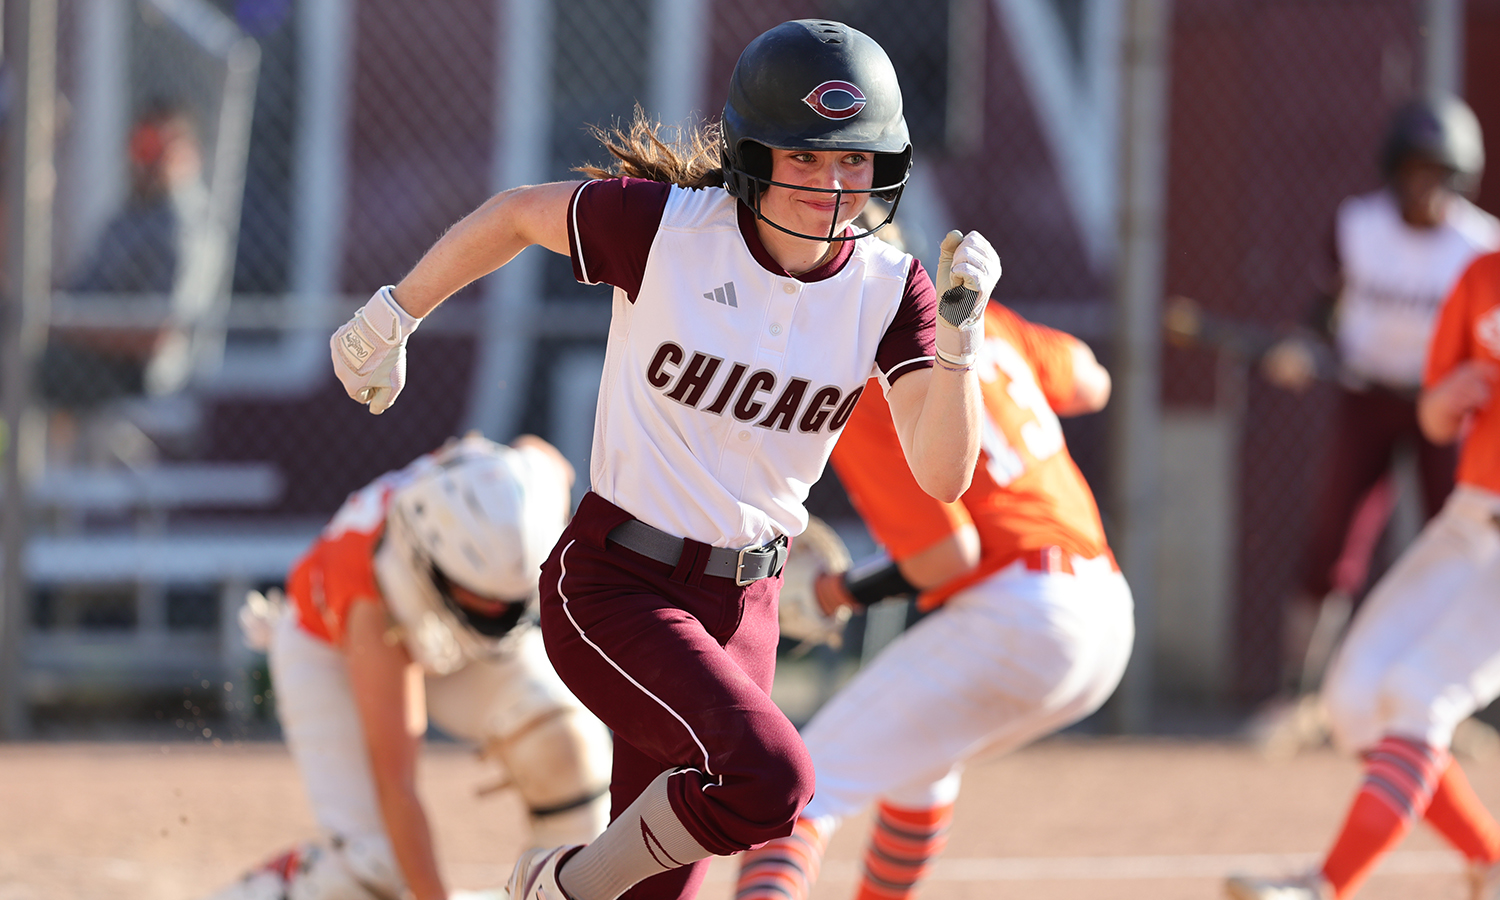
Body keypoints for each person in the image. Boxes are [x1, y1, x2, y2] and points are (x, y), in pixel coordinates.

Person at [329, 19, 995, 900]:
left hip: (745, 605)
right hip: (617, 584)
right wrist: (395, 312)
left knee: (665, 885)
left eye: (853, 162)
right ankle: (560, 888)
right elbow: (519, 214)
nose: (831, 186)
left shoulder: (890, 287)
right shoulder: (671, 229)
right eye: (804, 157)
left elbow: (943, 473)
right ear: (752, 154)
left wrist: (959, 342)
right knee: (773, 780)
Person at [733, 276, 1134, 900]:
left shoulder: (861, 368)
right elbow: (1091, 379)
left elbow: (946, 556)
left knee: (796, 794)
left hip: (1019, 614)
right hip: (1103, 607)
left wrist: (836, 593)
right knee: (919, 769)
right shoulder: (981, 319)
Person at [202, 433, 613, 900]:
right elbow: (397, 785)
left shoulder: (525, 492)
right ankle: (278, 885)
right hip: (325, 651)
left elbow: (543, 458)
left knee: (564, 740)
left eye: (507, 601)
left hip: (441, 634)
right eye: (481, 598)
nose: (495, 611)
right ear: (427, 557)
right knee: (372, 869)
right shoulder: (371, 602)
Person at [1226, 251, 1500, 900]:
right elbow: (1436, 418)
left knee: (1417, 691)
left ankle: (1325, 887)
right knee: (1354, 699)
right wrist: (1447, 396)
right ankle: (1491, 863)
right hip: (1472, 516)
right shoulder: (1483, 272)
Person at [1256, 94, 1500, 713]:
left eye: (1438, 175)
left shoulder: (1478, 244)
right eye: (1414, 171)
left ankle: (1455, 697)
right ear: (1392, 171)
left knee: (1463, 538)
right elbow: (1327, 306)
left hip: (1446, 410)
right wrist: (1304, 346)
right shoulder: (1359, 225)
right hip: (1367, 396)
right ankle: (1300, 695)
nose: (1425, 188)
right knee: (1334, 535)